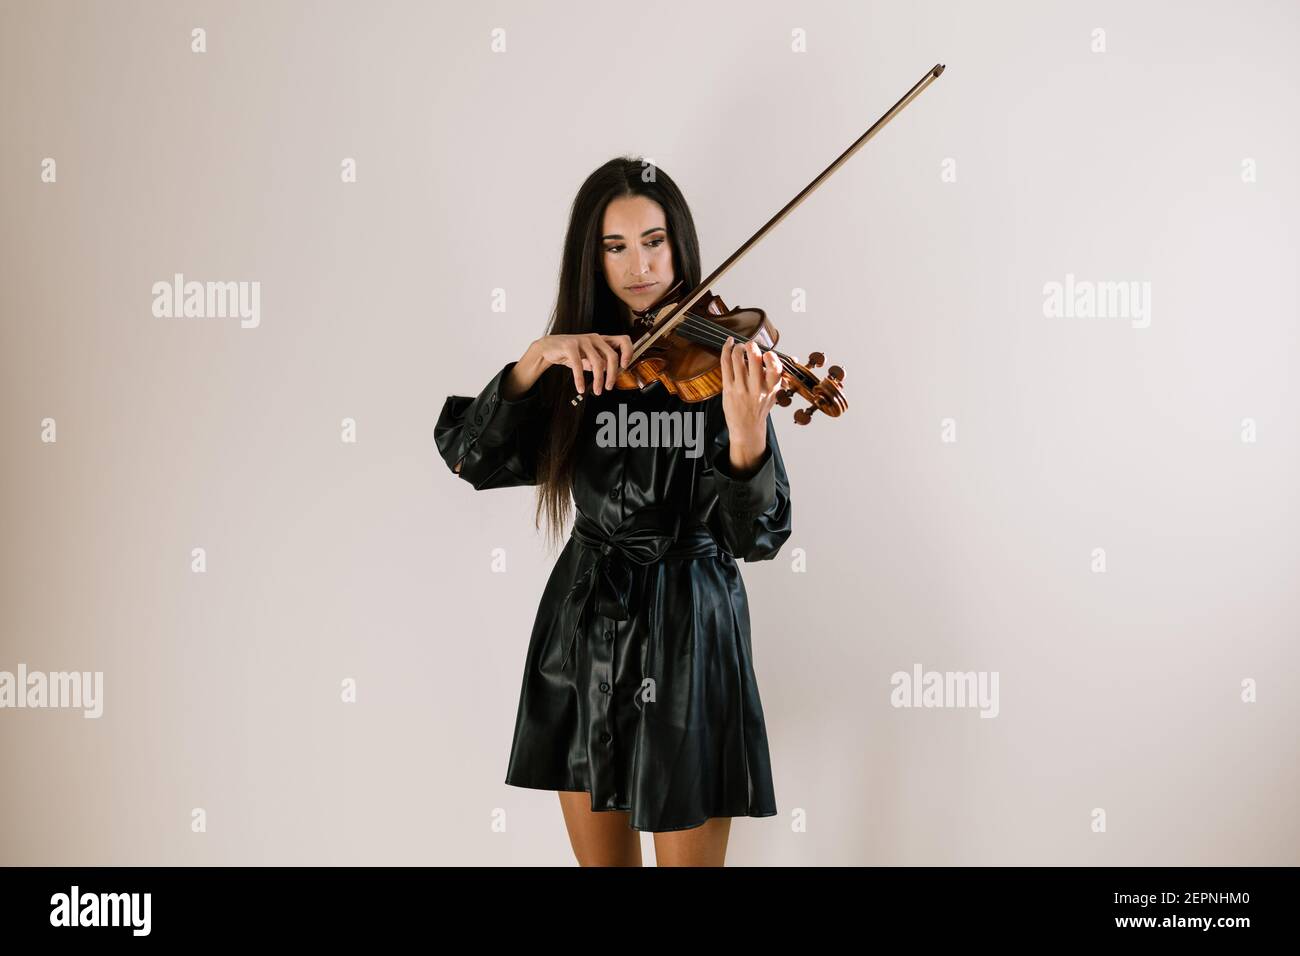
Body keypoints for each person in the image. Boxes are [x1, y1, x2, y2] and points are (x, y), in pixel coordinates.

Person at [435, 156, 792, 866]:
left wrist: (747, 434)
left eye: (654, 242)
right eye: (616, 246)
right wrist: (535, 360)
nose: (640, 266)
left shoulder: (719, 366)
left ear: (679, 246)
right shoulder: (576, 369)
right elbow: (470, 458)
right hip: (584, 627)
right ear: (591, 259)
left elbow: (757, 537)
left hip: (690, 629)